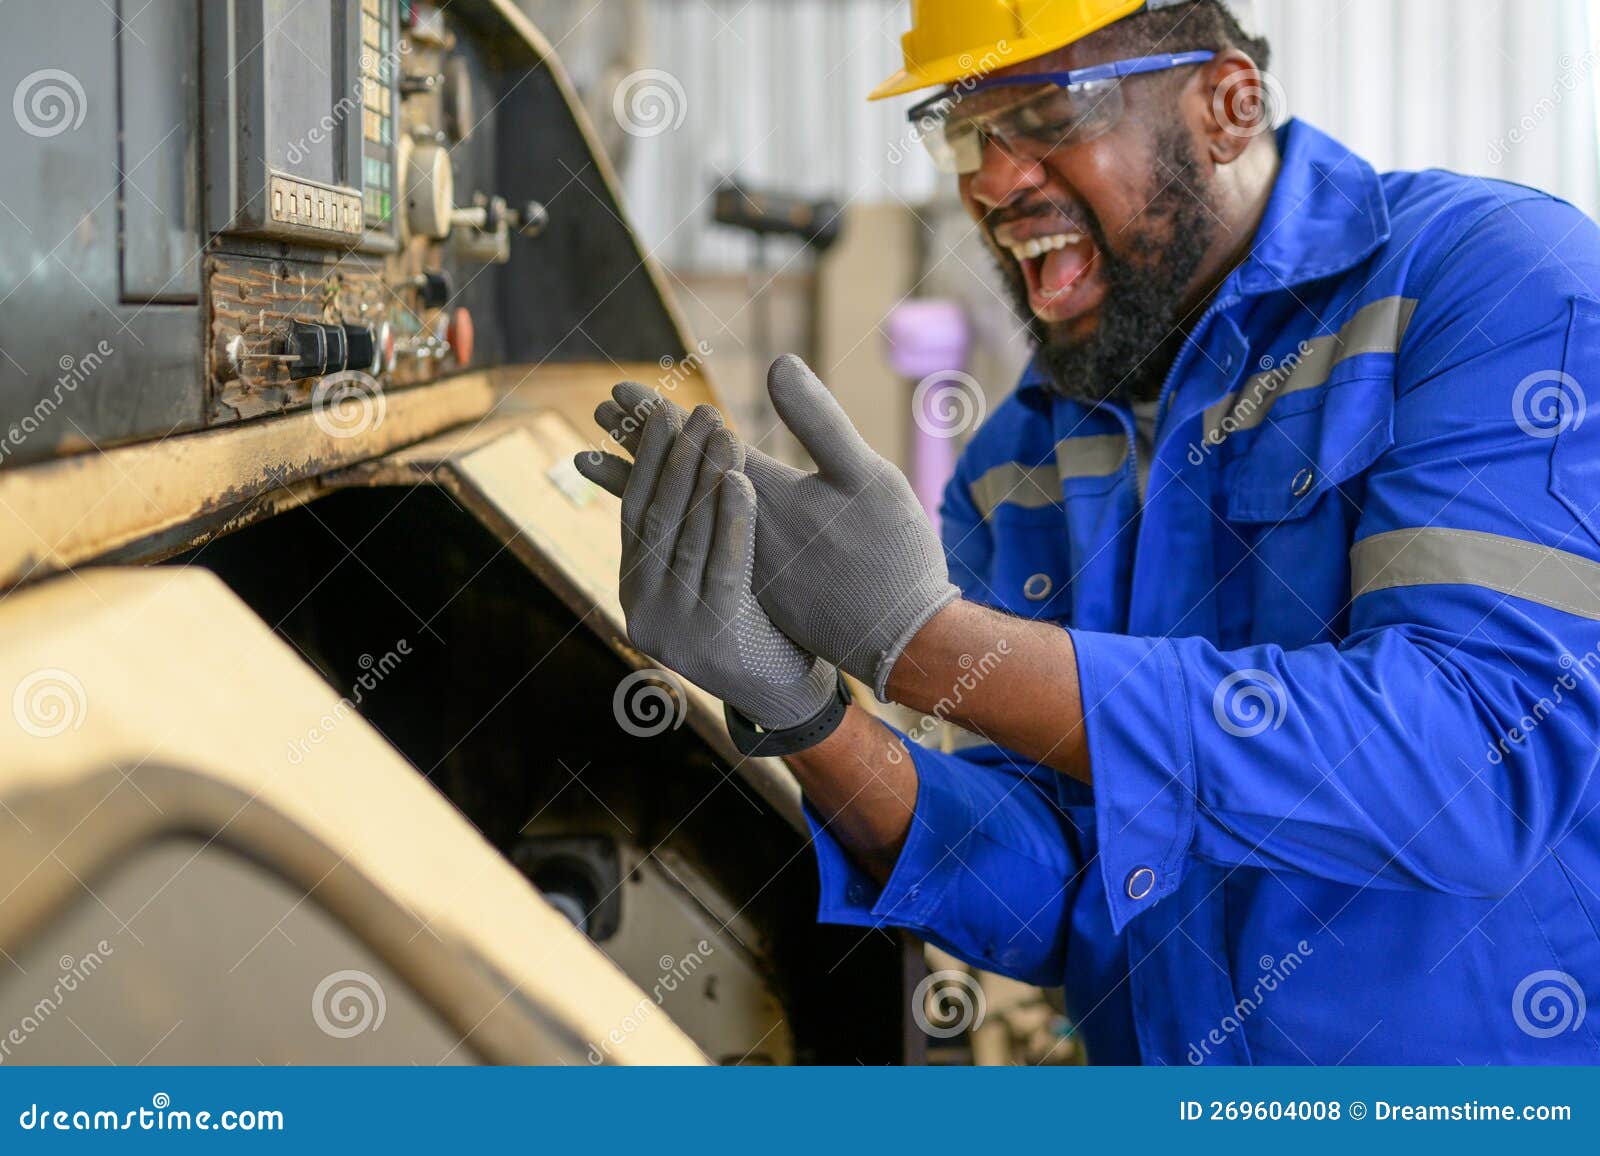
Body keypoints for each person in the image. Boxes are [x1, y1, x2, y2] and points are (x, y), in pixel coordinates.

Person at [577, 0, 1600, 1064]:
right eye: (968, 128)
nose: (989, 178)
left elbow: (1473, 766)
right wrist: (801, 712)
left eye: (1050, 114)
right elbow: (1063, 889)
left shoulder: (1490, 286)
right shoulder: (1020, 453)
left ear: (1227, 104)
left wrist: (923, 645)